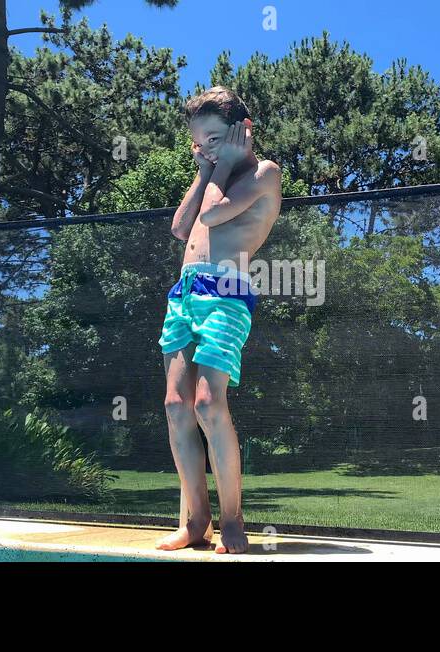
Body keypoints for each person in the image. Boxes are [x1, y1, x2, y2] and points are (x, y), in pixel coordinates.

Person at [155, 86, 282, 554]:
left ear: (242, 130)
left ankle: (232, 520)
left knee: (209, 404)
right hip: (184, 292)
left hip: (226, 292)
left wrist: (223, 164)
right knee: (175, 406)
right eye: (199, 141)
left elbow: (212, 216)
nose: (204, 148)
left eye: (213, 138)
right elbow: (181, 226)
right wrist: (209, 167)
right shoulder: (213, 173)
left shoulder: (264, 173)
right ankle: (195, 520)